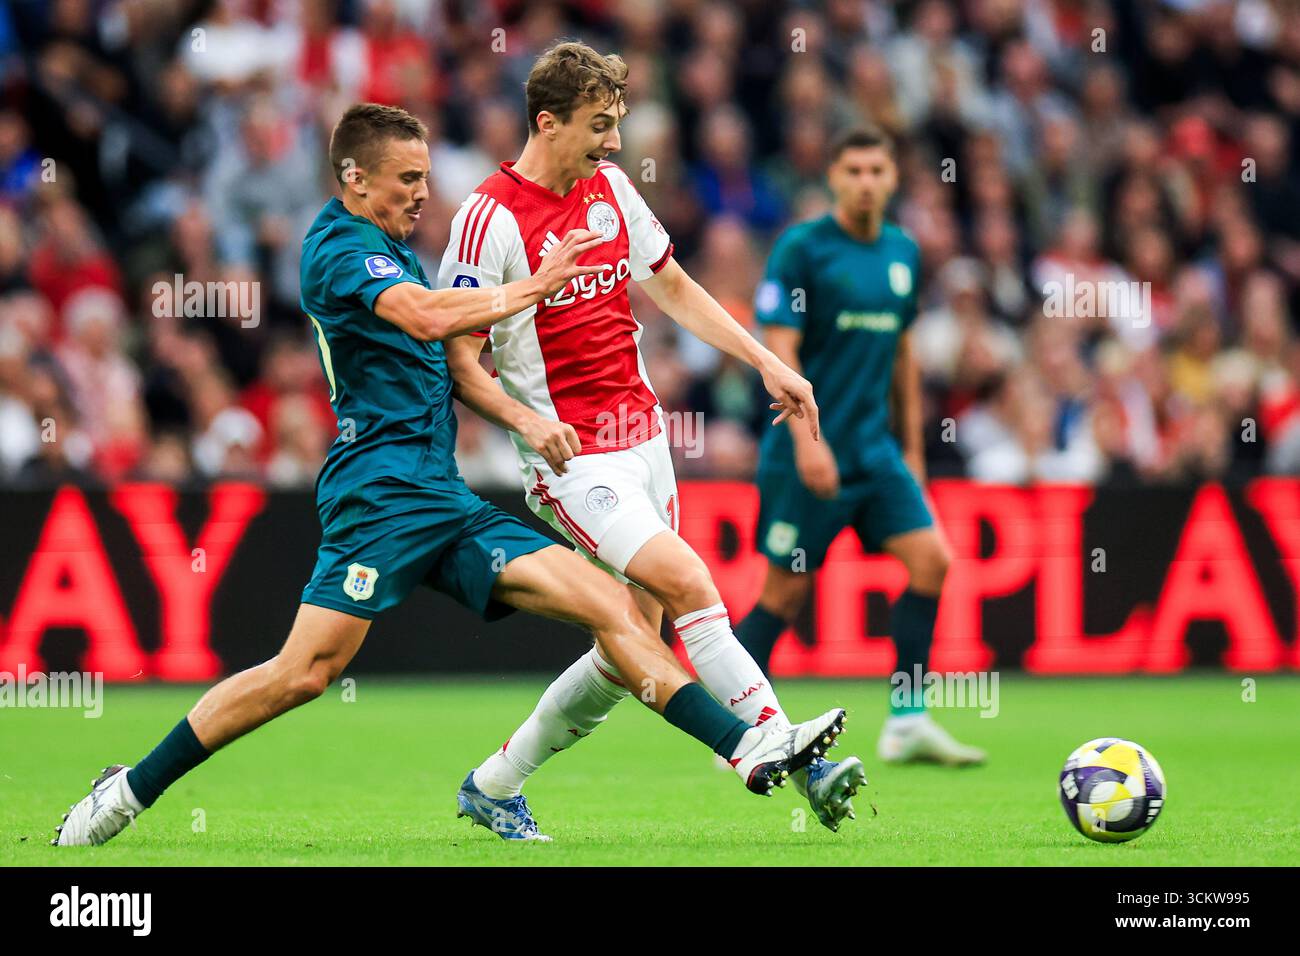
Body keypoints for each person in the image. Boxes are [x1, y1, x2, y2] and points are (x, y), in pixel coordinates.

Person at [53, 103, 849, 848]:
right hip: (379, 497)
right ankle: (128, 790)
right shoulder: (337, 249)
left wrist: (524, 412)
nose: (422, 194)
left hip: (444, 496)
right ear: (355, 177)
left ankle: (745, 749)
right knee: (304, 674)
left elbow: (453, 353)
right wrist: (539, 287)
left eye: (426, 178)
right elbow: (431, 319)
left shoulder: (394, 245)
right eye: (407, 180)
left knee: (616, 610)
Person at [439, 42, 866, 837]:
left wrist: (767, 360)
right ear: (548, 121)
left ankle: (494, 784)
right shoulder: (487, 217)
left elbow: (669, 284)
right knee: (689, 581)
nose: (613, 142)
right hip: (570, 461)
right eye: (599, 125)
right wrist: (530, 423)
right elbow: (458, 357)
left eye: (618, 124)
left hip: (645, 443)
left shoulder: (609, 190)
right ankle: (781, 751)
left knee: (626, 645)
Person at [735, 126, 985, 767]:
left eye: (878, 169)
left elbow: (902, 351)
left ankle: (906, 722)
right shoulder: (803, 249)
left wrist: (915, 452)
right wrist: (806, 440)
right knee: (783, 595)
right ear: (834, 179)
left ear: (894, 177)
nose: (867, 181)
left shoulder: (903, 252)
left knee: (933, 561)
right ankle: (737, 726)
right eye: (854, 171)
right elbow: (779, 347)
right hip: (807, 452)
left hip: (875, 453)